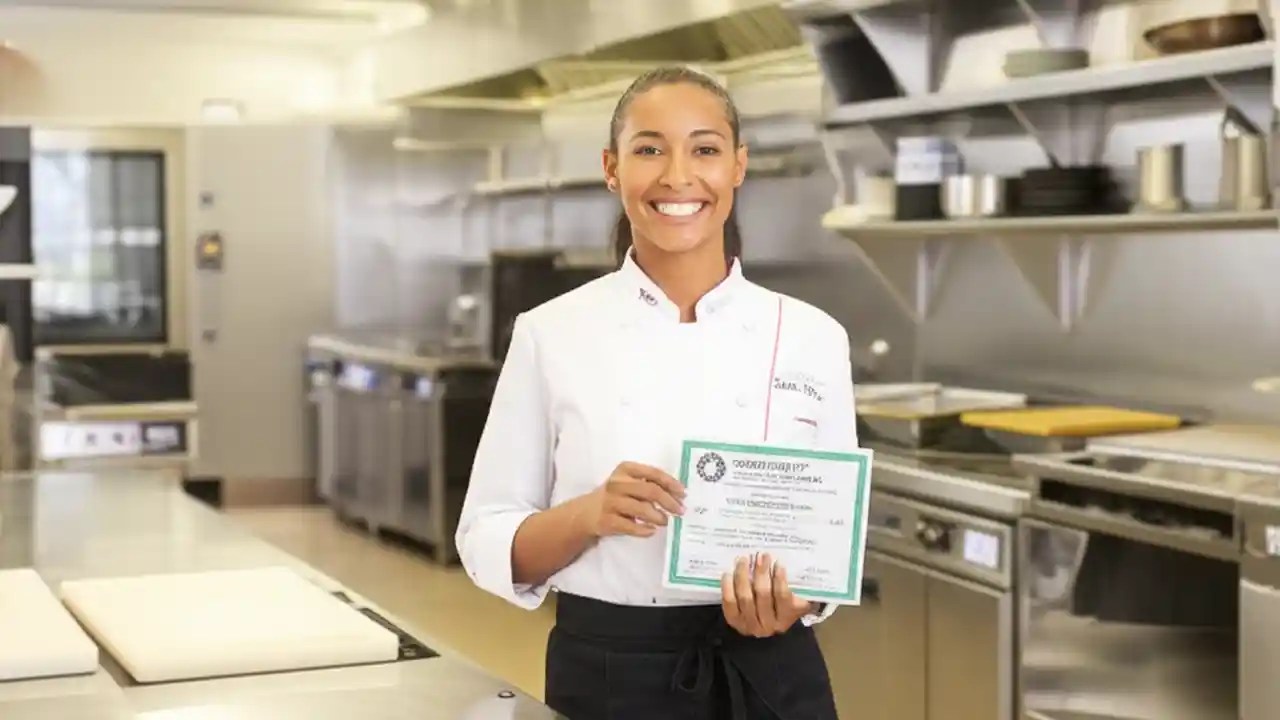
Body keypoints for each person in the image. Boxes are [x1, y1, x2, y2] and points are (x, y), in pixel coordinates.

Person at [456, 65, 858, 720]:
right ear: (613, 169)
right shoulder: (551, 333)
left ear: (738, 167)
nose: (678, 176)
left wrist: (800, 600)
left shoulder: (813, 336)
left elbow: (832, 540)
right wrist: (589, 513)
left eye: (705, 149)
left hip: (776, 675)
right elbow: (485, 539)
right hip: (613, 673)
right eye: (650, 149)